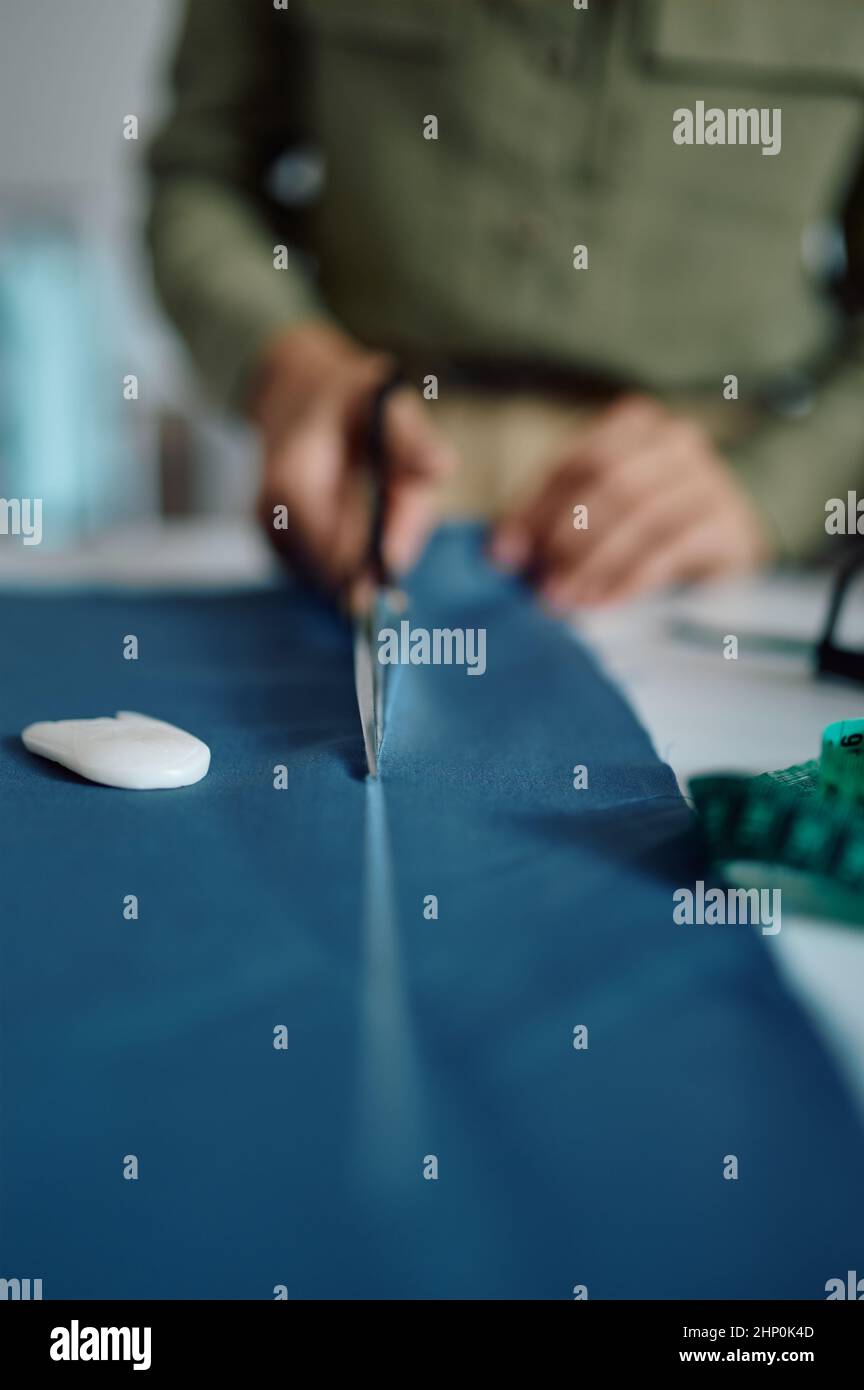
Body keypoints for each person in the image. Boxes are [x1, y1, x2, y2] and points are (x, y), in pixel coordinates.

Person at [147, 0, 864, 608]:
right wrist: (290, 368)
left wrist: (778, 490)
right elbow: (201, 174)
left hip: (709, 539)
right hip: (369, 478)